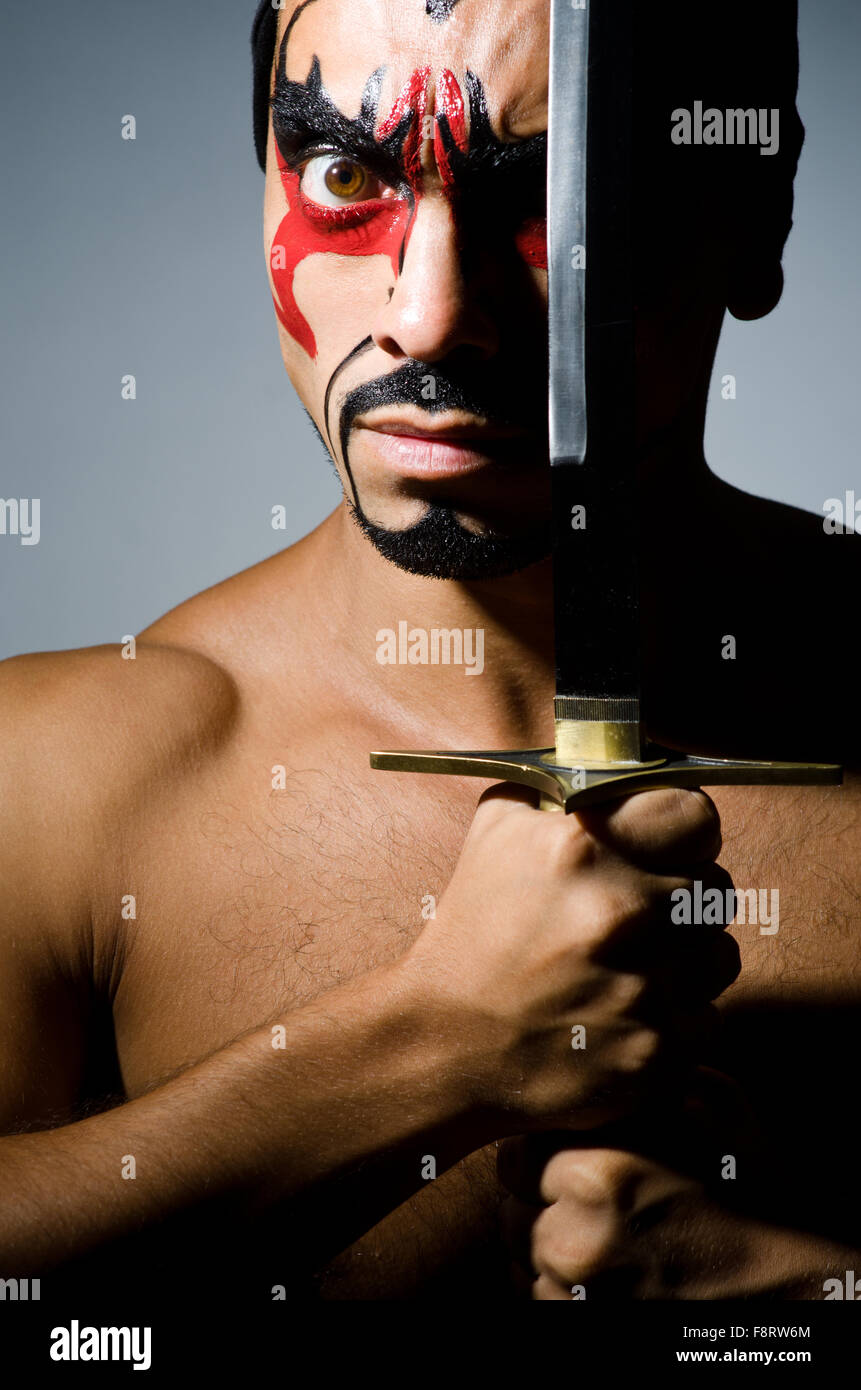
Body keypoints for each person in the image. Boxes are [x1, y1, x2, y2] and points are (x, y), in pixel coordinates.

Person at [0, 0, 857, 1304]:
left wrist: (815, 1293)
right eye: (348, 177)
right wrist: (443, 1038)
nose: (432, 317)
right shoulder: (56, 779)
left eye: (565, 196)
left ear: (760, 211)